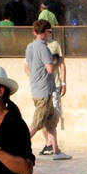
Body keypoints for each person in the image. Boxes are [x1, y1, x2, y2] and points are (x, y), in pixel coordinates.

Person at [25, 20, 68, 160]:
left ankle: (56, 151)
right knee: (37, 123)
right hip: (43, 90)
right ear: (44, 32)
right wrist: (58, 62)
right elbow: (49, 69)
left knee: (51, 121)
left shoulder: (30, 47)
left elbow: (29, 67)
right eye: (49, 31)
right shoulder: (43, 48)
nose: (50, 34)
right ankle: (17, 146)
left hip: (41, 89)